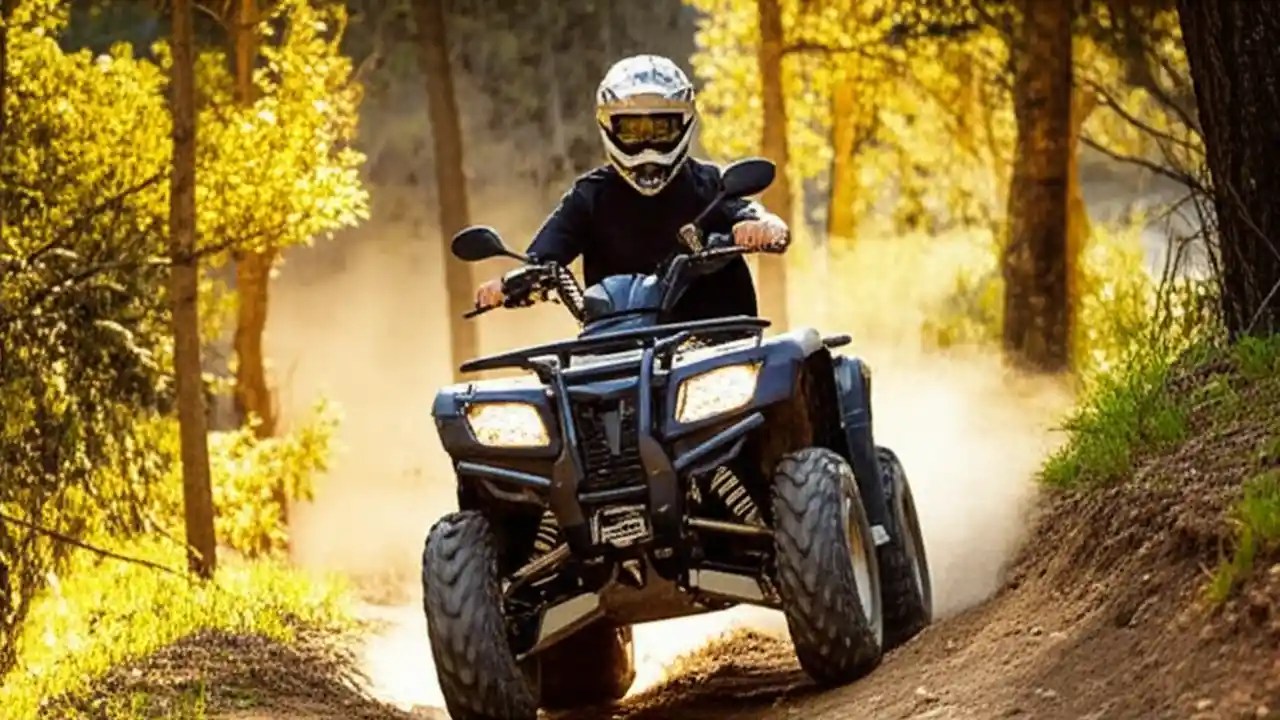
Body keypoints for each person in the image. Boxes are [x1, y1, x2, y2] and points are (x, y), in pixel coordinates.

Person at [473, 54, 790, 323]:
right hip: (615, 351)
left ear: (684, 124)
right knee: (551, 394)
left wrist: (762, 227)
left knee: (784, 367)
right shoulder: (589, 196)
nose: (648, 143)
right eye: (633, 129)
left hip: (719, 347)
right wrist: (511, 282)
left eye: (660, 127)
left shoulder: (711, 185)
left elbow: (748, 211)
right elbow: (543, 258)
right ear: (609, 126)